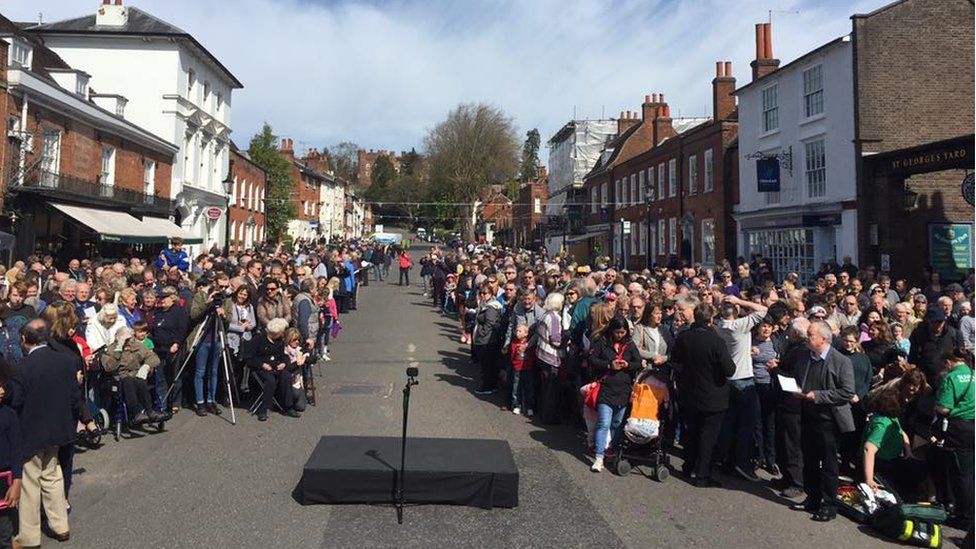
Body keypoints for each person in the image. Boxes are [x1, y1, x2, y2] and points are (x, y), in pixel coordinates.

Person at [8, 319, 75, 546]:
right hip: (57, 428)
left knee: (30, 484)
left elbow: (16, 401)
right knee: (53, 475)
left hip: (31, 431)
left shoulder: (22, 368)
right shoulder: (65, 360)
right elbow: (73, 395)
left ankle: (29, 537)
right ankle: (61, 525)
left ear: (24, 339)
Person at [791, 320, 855, 522]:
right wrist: (797, 390)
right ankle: (812, 497)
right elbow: (799, 378)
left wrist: (818, 396)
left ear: (824, 338)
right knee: (809, 460)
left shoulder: (841, 361)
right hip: (807, 415)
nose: (806, 337)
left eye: (811, 334)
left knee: (828, 463)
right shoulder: (805, 356)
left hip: (829, 419)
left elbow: (847, 392)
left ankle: (829, 504)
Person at [670, 302, 736, 487]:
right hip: (713, 395)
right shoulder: (716, 342)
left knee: (691, 432)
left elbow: (675, 360)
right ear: (711, 319)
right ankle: (702, 475)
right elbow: (729, 370)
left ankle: (688, 465)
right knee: (708, 438)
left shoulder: (684, 337)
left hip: (689, 392)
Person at [714, 295, 767, 482]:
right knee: (747, 424)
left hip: (727, 379)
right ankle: (742, 463)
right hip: (743, 379)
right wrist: (741, 301)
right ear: (736, 310)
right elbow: (763, 310)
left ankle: (726, 460)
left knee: (728, 423)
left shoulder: (718, 326)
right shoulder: (740, 325)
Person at [587, 316, 641, 472]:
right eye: (617, 332)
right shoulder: (602, 342)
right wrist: (609, 365)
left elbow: (638, 363)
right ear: (611, 330)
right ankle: (599, 457)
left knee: (616, 424)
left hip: (623, 390)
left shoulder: (629, 344)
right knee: (603, 423)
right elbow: (592, 360)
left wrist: (627, 365)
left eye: (623, 332)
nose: (620, 335)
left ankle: (611, 449)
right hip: (606, 389)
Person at [934, 350, 974, 529]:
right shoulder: (974, 374)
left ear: (949, 362)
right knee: (971, 472)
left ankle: (965, 516)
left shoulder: (951, 378)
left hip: (959, 428)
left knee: (961, 474)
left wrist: (937, 406)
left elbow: (944, 408)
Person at [100, 327, 169, 425]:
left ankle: (150, 411)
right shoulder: (111, 349)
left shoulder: (137, 345)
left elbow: (154, 358)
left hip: (137, 374)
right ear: (118, 338)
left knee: (140, 381)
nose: (129, 341)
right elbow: (109, 367)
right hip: (121, 376)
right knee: (128, 381)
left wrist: (146, 365)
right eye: (126, 339)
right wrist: (118, 350)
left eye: (130, 338)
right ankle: (136, 412)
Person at [247, 318, 300, 421]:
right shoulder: (258, 339)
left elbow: (283, 356)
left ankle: (288, 407)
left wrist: (283, 363)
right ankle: (263, 410)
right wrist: (262, 364)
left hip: (276, 367)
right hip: (261, 368)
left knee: (286, 376)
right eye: (281, 332)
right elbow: (249, 358)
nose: (283, 334)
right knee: (270, 381)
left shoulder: (279, 341)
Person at [151, 286, 189, 412]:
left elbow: (182, 329)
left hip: (173, 347)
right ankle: (162, 402)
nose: (161, 300)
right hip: (159, 348)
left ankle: (175, 402)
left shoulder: (179, 311)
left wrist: (176, 343)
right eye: (160, 298)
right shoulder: (158, 312)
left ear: (172, 299)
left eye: (164, 298)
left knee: (175, 376)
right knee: (161, 376)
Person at [0, 357, 21, 548]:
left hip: (4, 483)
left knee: (5, 532)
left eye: (2, 386)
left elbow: (16, 451)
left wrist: (17, 481)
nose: (2, 391)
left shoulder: (8, 414)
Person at [472, 284, 504, 395]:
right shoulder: (484, 304)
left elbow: (489, 323)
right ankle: (491, 384)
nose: (482, 295)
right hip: (484, 339)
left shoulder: (491, 307)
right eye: (481, 293)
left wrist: (481, 333)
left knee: (486, 364)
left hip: (487, 340)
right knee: (488, 364)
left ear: (491, 294)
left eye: (485, 293)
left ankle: (487, 386)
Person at [509, 324, 533, 416]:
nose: (517, 333)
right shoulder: (514, 342)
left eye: (520, 331)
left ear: (526, 333)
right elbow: (512, 355)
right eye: (517, 331)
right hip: (517, 368)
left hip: (527, 368)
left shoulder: (529, 343)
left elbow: (532, 355)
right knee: (516, 388)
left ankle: (529, 406)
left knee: (528, 388)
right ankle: (516, 405)